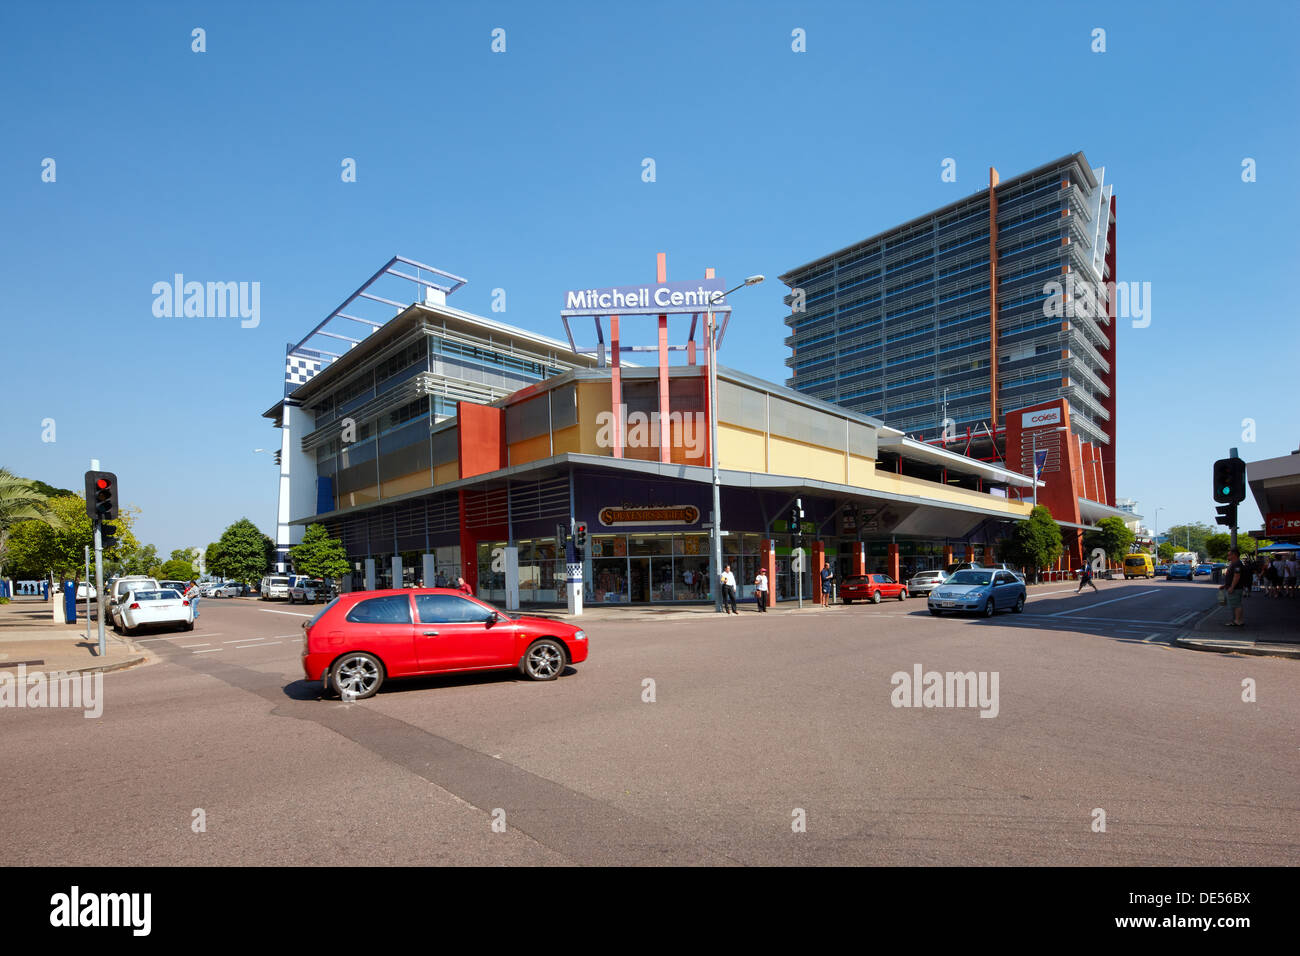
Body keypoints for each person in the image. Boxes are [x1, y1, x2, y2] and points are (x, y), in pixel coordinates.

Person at [1220, 548, 1246, 626]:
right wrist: (1225, 585)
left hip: (1236, 588)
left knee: (1236, 605)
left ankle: (1238, 621)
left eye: (1229, 555)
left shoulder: (1237, 564)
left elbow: (1237, 576)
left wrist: (1232, 587)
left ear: (1234, 555)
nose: (1228, 556)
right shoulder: (1234, 563)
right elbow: (1232, 577)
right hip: (1234, 587)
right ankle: (1237, 620)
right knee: (1235, 604)